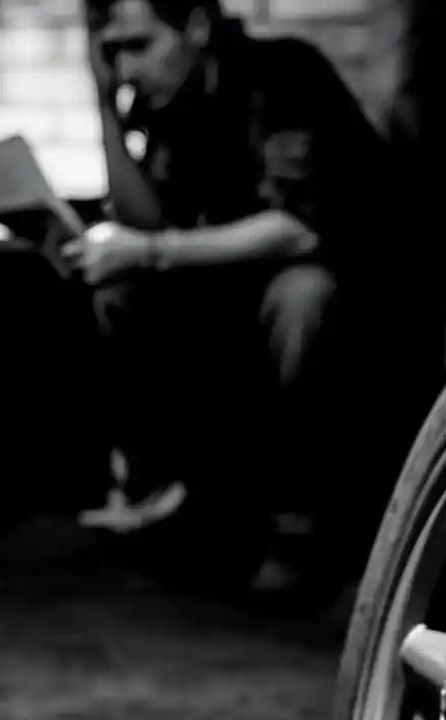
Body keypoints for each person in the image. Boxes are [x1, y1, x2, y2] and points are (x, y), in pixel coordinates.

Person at [64, 0, 398, 593]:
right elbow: (146, 217)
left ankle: (300, 527)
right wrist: (103, 108)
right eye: (111, 53)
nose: (127, 68)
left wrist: (148, 250)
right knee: (114, 290)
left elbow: (296, 228)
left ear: (195, 23)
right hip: (231, 292)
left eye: (139, 46)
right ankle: (161, 494)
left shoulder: (283, 74)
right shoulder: (163, 101)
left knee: (302, 298)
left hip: (337, 295)